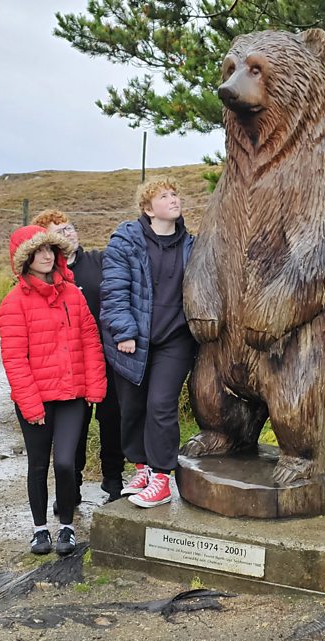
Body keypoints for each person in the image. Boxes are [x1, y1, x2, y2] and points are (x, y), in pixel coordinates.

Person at [0, 225, 106, 556]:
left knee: (65, 462)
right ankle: (39, 529)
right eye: (39, 251)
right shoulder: (13, 303)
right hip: (36, 400)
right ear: (25, 259)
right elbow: (14, 359)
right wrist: (31, 404)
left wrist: (95, 386)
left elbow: (90, 340)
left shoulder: (73, 295)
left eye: (50, 250)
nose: (47, 256)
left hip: (73, 397)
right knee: (37, 465)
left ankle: (67, 527)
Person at [101, 179, 195, 508]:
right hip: (132, 339)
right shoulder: (126, 240)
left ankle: (161, 478)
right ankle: (141, 466)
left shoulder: (191, 245)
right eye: (164, 196)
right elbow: (114, 290)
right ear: (147, 209)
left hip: (175, 339)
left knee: (161, 405)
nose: (173, 199)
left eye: (174, 193)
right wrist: (124, 332)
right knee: (133, 409)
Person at [32, 210, 125, 505]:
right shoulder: (47, 276)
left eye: (70, 227)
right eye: (59, 231)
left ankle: (113, 480)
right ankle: (71, 484)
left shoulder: (100, 262)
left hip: (109, 358)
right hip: (70, 364)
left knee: (113, 419)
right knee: (75, 426)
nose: (68, 233)